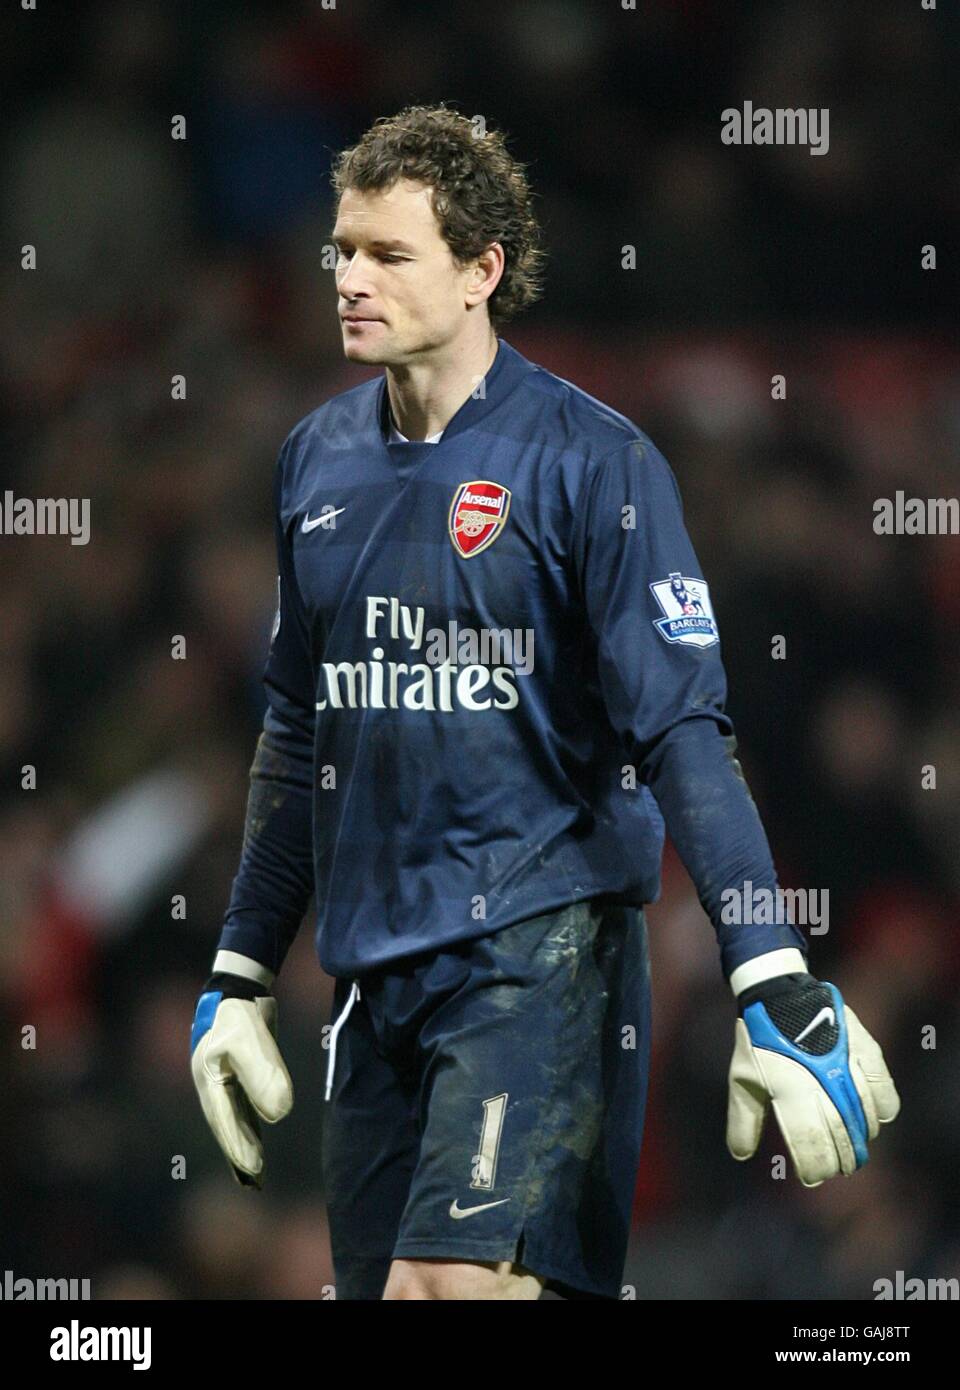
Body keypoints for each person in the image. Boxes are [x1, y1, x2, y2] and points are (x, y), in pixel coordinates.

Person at [190, 103, 900, 1301]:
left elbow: (682, 728)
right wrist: (239, 972)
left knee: (446, 1291)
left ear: (481, 271)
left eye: (389, 253)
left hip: (542, 956)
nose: (351, 278)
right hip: (375, 986)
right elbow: (299, 728)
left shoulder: (593, 462)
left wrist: (768, 970)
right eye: (343, 250)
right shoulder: (314, 461)